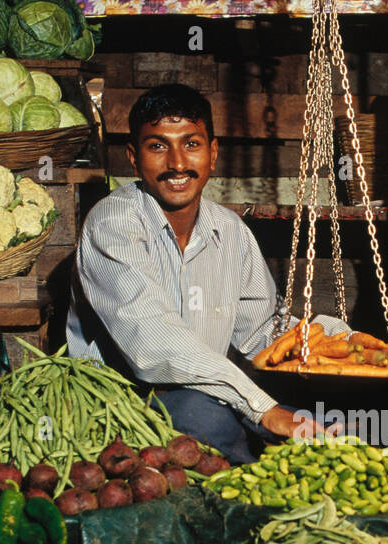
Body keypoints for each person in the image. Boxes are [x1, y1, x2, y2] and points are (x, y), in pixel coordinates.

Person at [67, 83, 349, 462]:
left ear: (212, 153)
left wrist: (345, 341)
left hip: (215, 390)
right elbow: (156, 344)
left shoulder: (228, 230)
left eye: (192, 144)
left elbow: (262, 329)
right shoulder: (114, 223)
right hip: (127, 402)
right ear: (133, 157)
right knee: (216, 424)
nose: (178, 164)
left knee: (329, 426)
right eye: (158, 146)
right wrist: (262, 409)